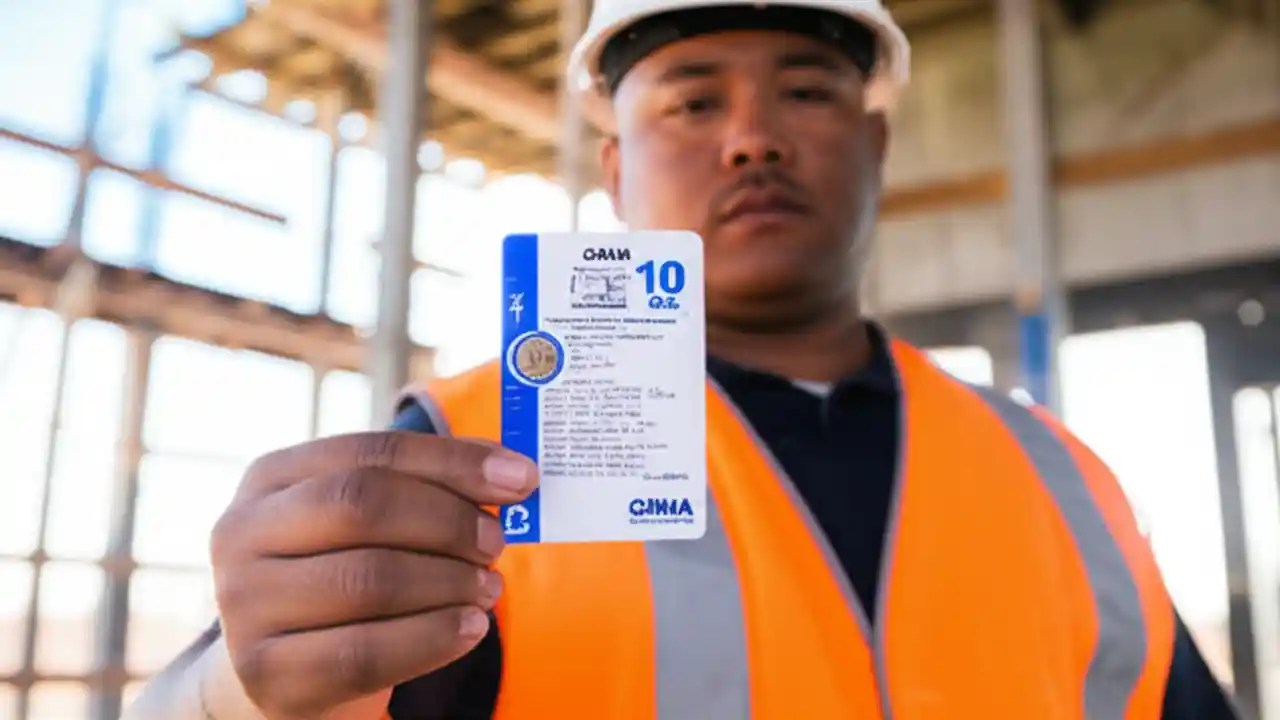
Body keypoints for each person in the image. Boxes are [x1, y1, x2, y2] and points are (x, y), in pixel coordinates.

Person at [126, 1, 1240, 718]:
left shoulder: (1064, 476)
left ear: (876, 141)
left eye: (806, 89)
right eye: (693, 99)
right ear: (613, 171)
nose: (751, 135)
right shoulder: (467, 455)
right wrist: (231, 694)